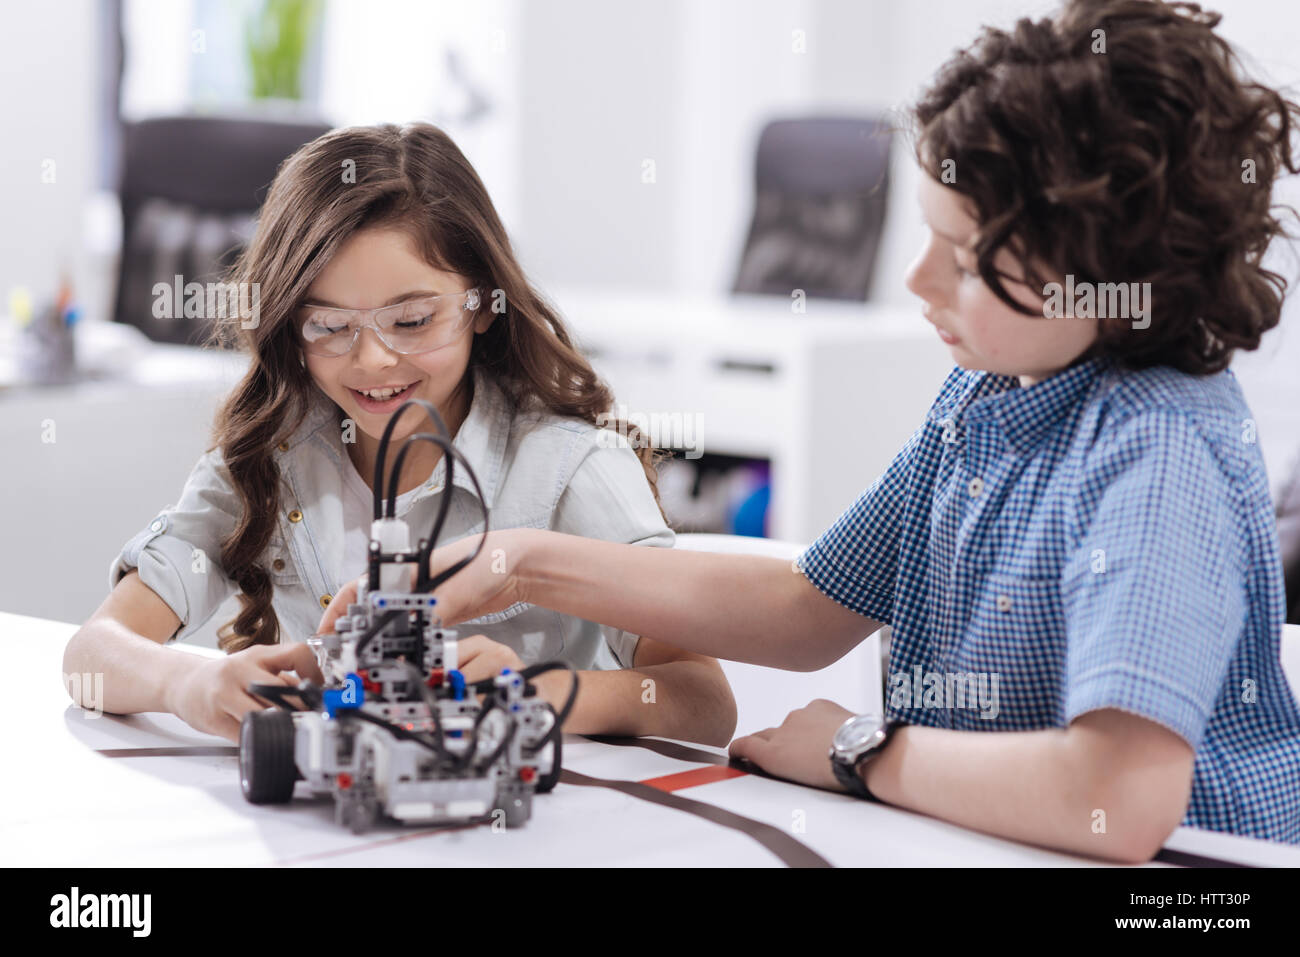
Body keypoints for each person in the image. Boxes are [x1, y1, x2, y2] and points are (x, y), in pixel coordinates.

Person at [324, 1, 1300, 860]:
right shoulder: (986, 396)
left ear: (1100, 264)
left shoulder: (1158, 451)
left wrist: (858, 751)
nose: (916, 282)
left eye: (960, 258)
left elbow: (1115, 800)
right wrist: (520, 563)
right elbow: (805, 609)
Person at [64, 123, 736, 748]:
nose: (373, 360)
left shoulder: (568, 465)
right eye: (328, 325)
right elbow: (93, 652)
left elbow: (704, 699)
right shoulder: (268, 458)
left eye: (412, 320)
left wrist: (536, 694)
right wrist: (188, 682)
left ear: (482, 303)